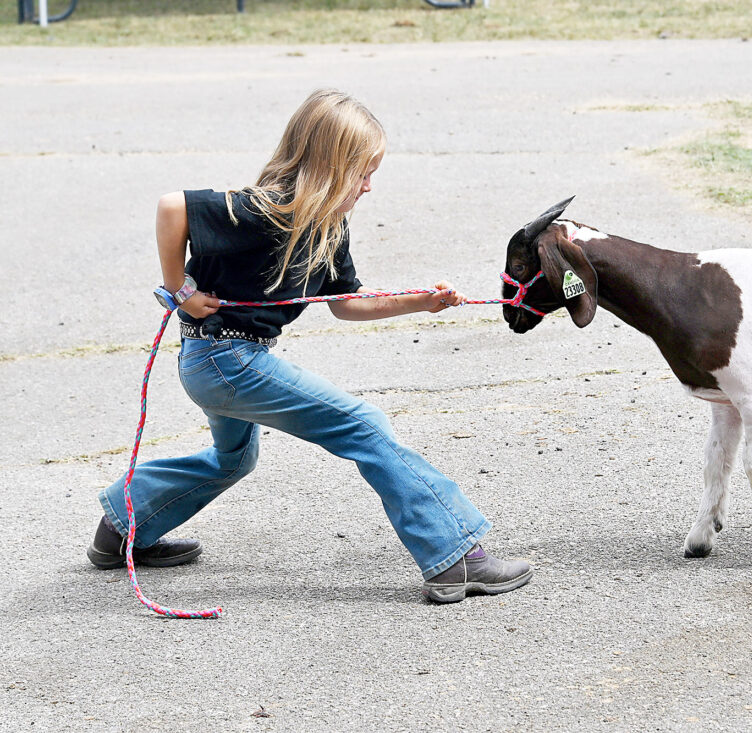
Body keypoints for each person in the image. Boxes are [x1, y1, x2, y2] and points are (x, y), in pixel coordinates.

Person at [86, 89, 532, 604]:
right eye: (363, 173)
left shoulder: (327, 227)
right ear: (330, 167)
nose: (368, 186)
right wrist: (179, 289)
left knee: (233, 459)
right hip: (227, 361)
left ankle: (121, 527)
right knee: (364, 425)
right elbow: (171, 208)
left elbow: (346, 303)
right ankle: (455, 555)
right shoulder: (265, 209)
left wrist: (421, 302)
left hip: (225, 364)